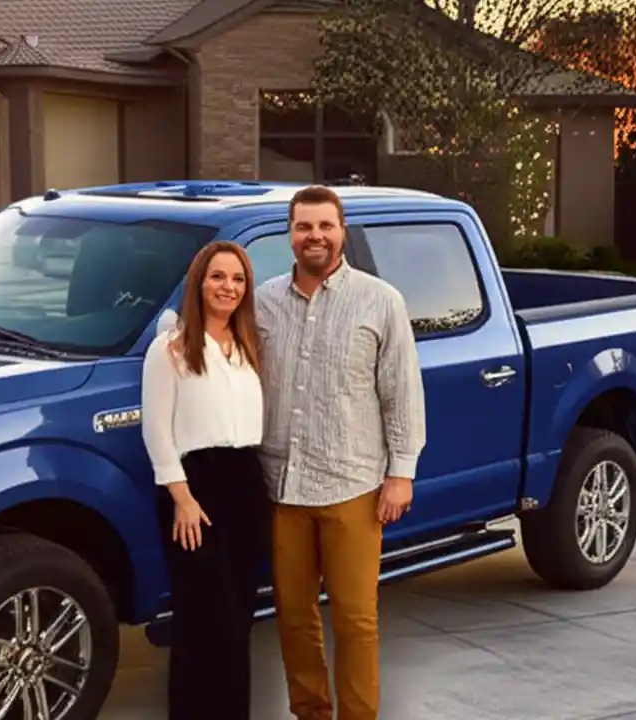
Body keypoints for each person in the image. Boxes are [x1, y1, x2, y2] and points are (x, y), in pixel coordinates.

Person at [255, 185, 426, 720]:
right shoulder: (262, 302)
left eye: (325, 226)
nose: (315, 237)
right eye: (304, 227)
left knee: (355, 618)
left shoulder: (381, 301)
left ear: (342, 232)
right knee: (293, 616)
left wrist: (401, 473)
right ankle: (311, 712)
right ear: (290, 234)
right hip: (282, 485)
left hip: (353, 484)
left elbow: (401, 392)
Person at [140, 240, 270, 720]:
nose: (228, 287)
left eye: (237, 279)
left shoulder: (249, 346)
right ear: (199, 282)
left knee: (237, 620)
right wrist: (182, 498)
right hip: (194, 490)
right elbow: (156, 429)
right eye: (218, 277)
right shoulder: (170, 349)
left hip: (245, 485)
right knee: (200, 621)